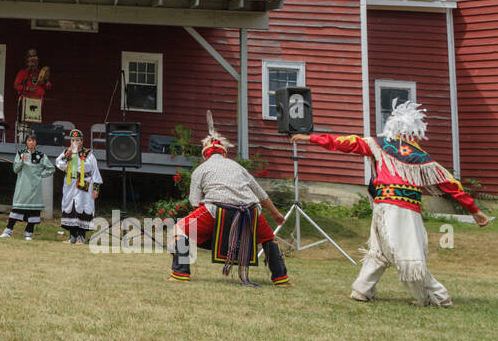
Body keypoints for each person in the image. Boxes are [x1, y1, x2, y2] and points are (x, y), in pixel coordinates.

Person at [292, 100, 490, 306]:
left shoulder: (379, 144)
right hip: (405, 209)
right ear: (414, 131)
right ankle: (363, 289)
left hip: (387, 206)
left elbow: (346, 142)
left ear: (392, 127)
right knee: (387, 252)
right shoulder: (421, 157)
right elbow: (451, 185)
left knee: (403, 255)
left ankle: (438, 297)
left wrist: (311, 138)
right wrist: (474, 211)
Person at [169, 116, 289, 286]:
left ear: (205, 155)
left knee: (179, 229)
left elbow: (195, 203)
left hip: (215, 210)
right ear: (224, 153)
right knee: (269, 239)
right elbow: (261, 194)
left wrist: (206, 230)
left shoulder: (200, 169)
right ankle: (281, 278)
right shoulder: (239, 167)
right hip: (251, 211)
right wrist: (276, 214)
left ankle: (180, 273)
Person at [2, 131, 52, 240]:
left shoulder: (41, 156)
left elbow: (51, 169)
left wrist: (41, 175)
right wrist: (21, 161)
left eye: (33, 140)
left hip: (35, 189)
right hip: (22, 187)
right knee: (17, 209)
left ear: (36, 142)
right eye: (29, 140)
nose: (31, 142)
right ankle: (8, 231)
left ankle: (29, 233)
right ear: (26, 142)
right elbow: (15, 169)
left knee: (33, 212)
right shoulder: (20, 153)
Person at [56, 129, 102, 243]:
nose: (75, 142)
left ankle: (81, 237)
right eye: (72, 140)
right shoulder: (67, 152)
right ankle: (72, 236)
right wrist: (69, 153)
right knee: (71, 208)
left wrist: (96, 189)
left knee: (83, 207)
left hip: (84, 183)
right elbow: (60, 165)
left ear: (82, 141)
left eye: (77, 140)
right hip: (70, 183)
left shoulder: (89, 155)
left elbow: (95, 172)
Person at [13, 49, 51, 128]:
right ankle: (22, 139)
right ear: (28, 63)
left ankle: (33, 139)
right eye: (32, 61)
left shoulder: (40, 73)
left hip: (38, 102)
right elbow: (16, 85)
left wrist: (46, 80)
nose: (34, 63)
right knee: (24, 125)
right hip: (25, 102)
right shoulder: (23, 73)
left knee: (35, 125)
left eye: (36, 61)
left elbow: (48, 86)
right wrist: (28, 89)